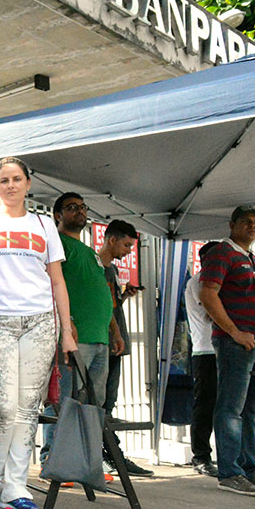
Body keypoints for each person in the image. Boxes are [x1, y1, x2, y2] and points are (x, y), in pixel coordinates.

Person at [0, 157, 76, 509]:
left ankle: (15, 485)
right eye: (4, 180)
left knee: (28, 407)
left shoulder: (44, 226)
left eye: (17, 179)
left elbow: (57, 280)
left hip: (40, 323)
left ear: (28, 184)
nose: (10, 185)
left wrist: (67, 331)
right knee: (4, 404)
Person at [199, 206, 255, 497]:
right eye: (247, 221)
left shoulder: (250, 257)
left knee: (253, 408)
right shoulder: (222, 252)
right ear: (232, 225)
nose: (253, 226)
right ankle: (230, 472)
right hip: (236, 343)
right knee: (231, 407)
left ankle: (248, 465)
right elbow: (207, 293)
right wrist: (234, 332)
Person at [39, 193, 120, 468]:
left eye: (83, 207)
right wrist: (66, 320)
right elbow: (48, 285)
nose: (80, 211)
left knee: (91, 405)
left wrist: (115, 331)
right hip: (72, 339)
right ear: (58, 216)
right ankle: (52, 459)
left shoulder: (89, 253)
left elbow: (102, 295)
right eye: (72, 207)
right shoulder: (55, 245)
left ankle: (81, 462)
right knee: (63, 401)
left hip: (99, 339)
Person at [97, 219, 154, 477]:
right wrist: (115, 331)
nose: (129, 250)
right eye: (127, 244)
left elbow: (111, 301)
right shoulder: (97, 266)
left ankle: (111, 454)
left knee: (108, 403)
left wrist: (124, 295)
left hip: (114, 343)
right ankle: (107, 454)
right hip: (104, 342)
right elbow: (102, 304)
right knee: (98, 404)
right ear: (111, 239)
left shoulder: (112, 270)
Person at [185, 241, 219, 477]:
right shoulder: (199, 282)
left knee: (226, 407)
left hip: (224, 350)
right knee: (205, 405)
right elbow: (212, 314)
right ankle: (201, 456)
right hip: (206, 350)